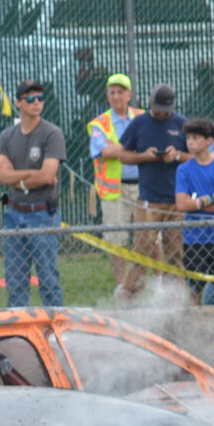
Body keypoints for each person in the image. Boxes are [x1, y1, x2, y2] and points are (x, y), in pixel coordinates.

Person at [0, 80, 66, 307]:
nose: (37, 103)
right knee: (15, 282)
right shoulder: (7, 136)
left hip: (42, 214)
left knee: (48, 281)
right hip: (14, 213)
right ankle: (17, 331)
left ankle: (57, 330)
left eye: (40, 98)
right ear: (18, 103)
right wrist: (27, 179)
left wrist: (14, 177)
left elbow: (47, 176)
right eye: (30, 98)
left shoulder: (52, 134)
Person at [117, 83, 189, 300]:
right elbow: (123, 155)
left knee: (177, 251)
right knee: (143, 248)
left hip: (177, 200)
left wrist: (176, 155)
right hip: (149, 199)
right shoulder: (139, 124)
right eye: (158, 108)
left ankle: (173, 295)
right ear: (150, 102)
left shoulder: (181, 123)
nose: (162, 113)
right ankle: (130, 292)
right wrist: (144, 156)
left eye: (166, 109)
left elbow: (195, 157)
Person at [86, 73, 144, 297]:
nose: (116, 96)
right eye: (112, 92)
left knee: (148, 238)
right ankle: (122, 285)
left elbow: (119, 148)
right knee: (116, 240)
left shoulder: (142, 117)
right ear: (107, 96)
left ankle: (144, 282)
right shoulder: (99, 123)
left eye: (121, 92)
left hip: (143, 186)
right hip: (113, 190)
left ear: (129, 95)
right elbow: (105, 150)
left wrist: (118, 147)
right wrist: (134, 149)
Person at [173, 118, 214, 305]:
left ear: (208, 141)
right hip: (193, 238)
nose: (190, 142)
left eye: (195, 138)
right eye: (188, 138)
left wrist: (195, 202)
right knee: (194, 290)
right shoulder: (183, 170)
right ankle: (194, 326)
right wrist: (210, 198)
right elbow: (181, 204)